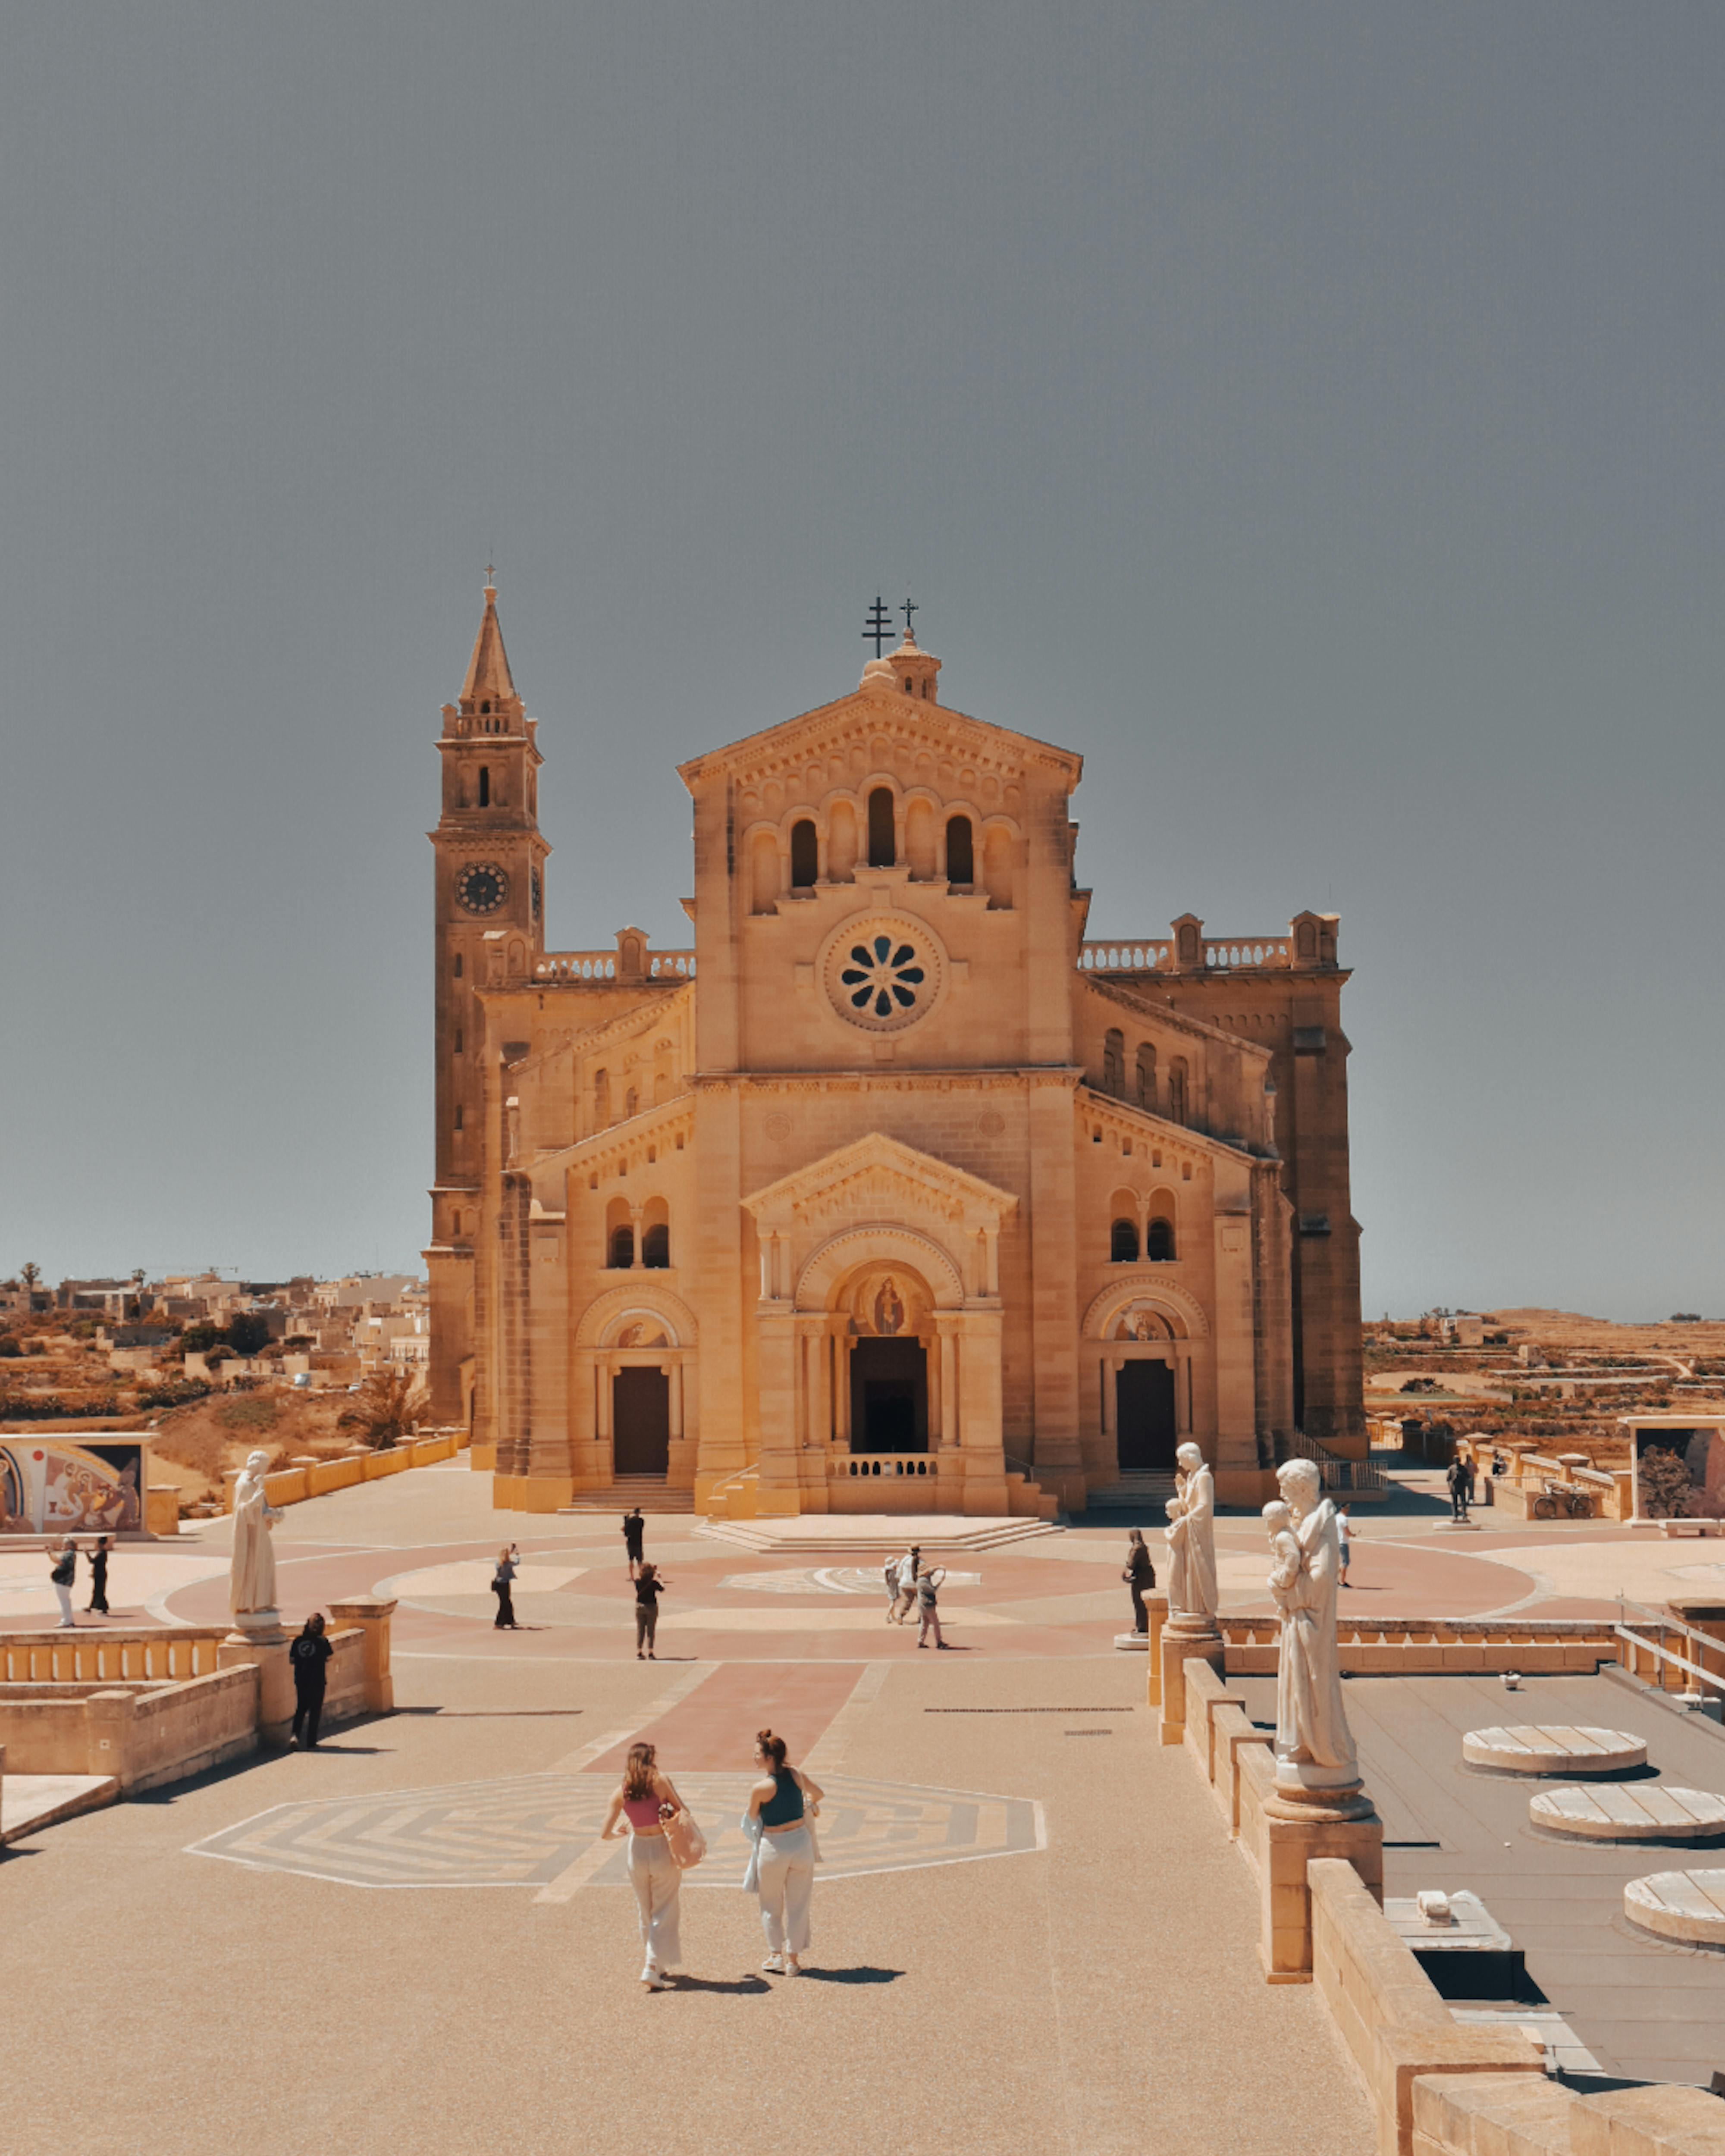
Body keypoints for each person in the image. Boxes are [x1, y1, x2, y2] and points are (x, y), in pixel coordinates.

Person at [600, 1741, 687, 1990]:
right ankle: (651, 1965)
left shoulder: (620, 1793)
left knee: (645, 1909)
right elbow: (682, 1810)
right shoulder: (660, 1782)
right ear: (651, 1760)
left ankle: (657, 1964)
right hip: (661, 1847)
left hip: (637, 1849)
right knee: (664, 1909)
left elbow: (604, 1833)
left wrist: (620, 1834)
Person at [746, 1730, 824, 1976]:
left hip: (774, 1847)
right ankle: (793, 1961)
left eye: (757, 1753)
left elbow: (752, 1818)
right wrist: (806, 1805)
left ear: (770, 1757)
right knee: (799, 1904)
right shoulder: (796, 1774)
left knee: (771, 1903)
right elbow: (818, 1794)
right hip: (801, 1844)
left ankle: (775, 1956)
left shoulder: (761, 1788)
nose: (754, 1757)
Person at [290, 1613, 333, 1747]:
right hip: (317, 1680)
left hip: (302, 1680)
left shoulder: (298, 1641)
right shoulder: (322, 1642)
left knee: (301, 1708)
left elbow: (292, 1660)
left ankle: (295, 1735)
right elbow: (330, 1657)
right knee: (315, 1711)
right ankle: (311, 1742)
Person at [1123, 1528, 1156, 1634]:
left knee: (1139, 1602)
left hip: (1141, 1578)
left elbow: (1131, 1564)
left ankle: (1142, 1627)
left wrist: (1125, 1574)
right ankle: (1146, 1624)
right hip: (1149, 1576)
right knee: (1146, 1602)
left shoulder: (1136, 1549)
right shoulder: (1144, 1546)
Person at [634, 1561, 668, 1658]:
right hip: (651, 1607)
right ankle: (651, 1652)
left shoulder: (638, 1583)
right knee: (651, 1630)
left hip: (639, 1606)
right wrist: (660, 1578)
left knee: (641, 1630)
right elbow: (663, 1589)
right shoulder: (654, 1583)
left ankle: (639, 1651)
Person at [915, 1561, 950, 1648]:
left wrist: (938, 1567)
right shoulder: (923, 1582)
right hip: (927, 1604)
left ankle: (921, 1641)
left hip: (922, 1604)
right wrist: (941, 1581)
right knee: (936, 1623)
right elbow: (933, 1590)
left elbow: (931, 1572)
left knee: (925, 1623)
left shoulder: (923, 1578)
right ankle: (939, 1642)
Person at [49, 1537, 77, 1628]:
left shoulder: (69, 1555)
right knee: (66, 1601)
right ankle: (69, 1619)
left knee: (64, 1601)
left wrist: (51, 1553)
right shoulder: (72, 1554)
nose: (63, 1546)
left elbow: (59, 1562)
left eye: (65, 1544)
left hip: (63, 1580)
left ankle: (66, 1621)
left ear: (69, 1545)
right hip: (67, 1580)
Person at [889, 1546, 919, 1626]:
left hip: (905, 1583)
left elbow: (900, 1570)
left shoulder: (906, 1559)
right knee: (921, 1601)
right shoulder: (920, 1560)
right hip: (916, 1583)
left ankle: (901, 1616)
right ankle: (921, 1617)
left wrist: (898, 1578)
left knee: (907, 1601)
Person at [492, 1544, 520, 1629]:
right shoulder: (508, 1564)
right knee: (505, 1604)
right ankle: (499, 1622)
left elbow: (504, 1561)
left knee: (506, 1603)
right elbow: (517, 1562)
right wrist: (516, 1554)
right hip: (505, 1585)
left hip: (498, 1585)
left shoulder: (498, 1563)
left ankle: (509, 1621)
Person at [85, 1534, 113, 1616]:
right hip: (99, 1573)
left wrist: (87, 1554)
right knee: (96, 1591)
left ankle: (104, 1608)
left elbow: (92, 1561)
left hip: (100, 1574)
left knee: (99, 1591)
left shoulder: (102, 1553)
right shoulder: (102, 1552)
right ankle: (91, 1607)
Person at [622, 1507, 645, 1579]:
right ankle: (642, 1576)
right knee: (640, 1561)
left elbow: (626, 1532)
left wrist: (626, 1521)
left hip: (631, 1542)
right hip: (639, 1542)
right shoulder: (642, 1521)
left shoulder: (631, 1521)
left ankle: (632, 1576)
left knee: (631, 1559)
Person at [1446, 1457, 1468, 1522]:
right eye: (1456, 1460)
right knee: (1454, 1502)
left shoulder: (1463, 1468)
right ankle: (1455, 1516)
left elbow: (1468, 1476)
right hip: (1454, 1487)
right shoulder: (1451, 1468)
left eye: (1458, 1460)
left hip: (1462, 1487)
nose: (1457, 1462)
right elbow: (1448, 1479)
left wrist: (1462, 1476)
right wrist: (1450, 1487)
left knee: (1463, 1502)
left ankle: (1464, 1515)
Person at [1336, 1506, 1352, 1588]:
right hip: (1343, 1542)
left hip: (1337, 1542)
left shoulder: (1336, 1517)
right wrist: (1352, 1535)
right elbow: (1347, 1532)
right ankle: (1342, 1582)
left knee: (1345, 1561)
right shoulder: (1344, 1519)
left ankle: (1334, 1578)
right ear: (1343, 1509)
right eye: (1347, 1509)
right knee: (1345, 1562)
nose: (1348, 1510)